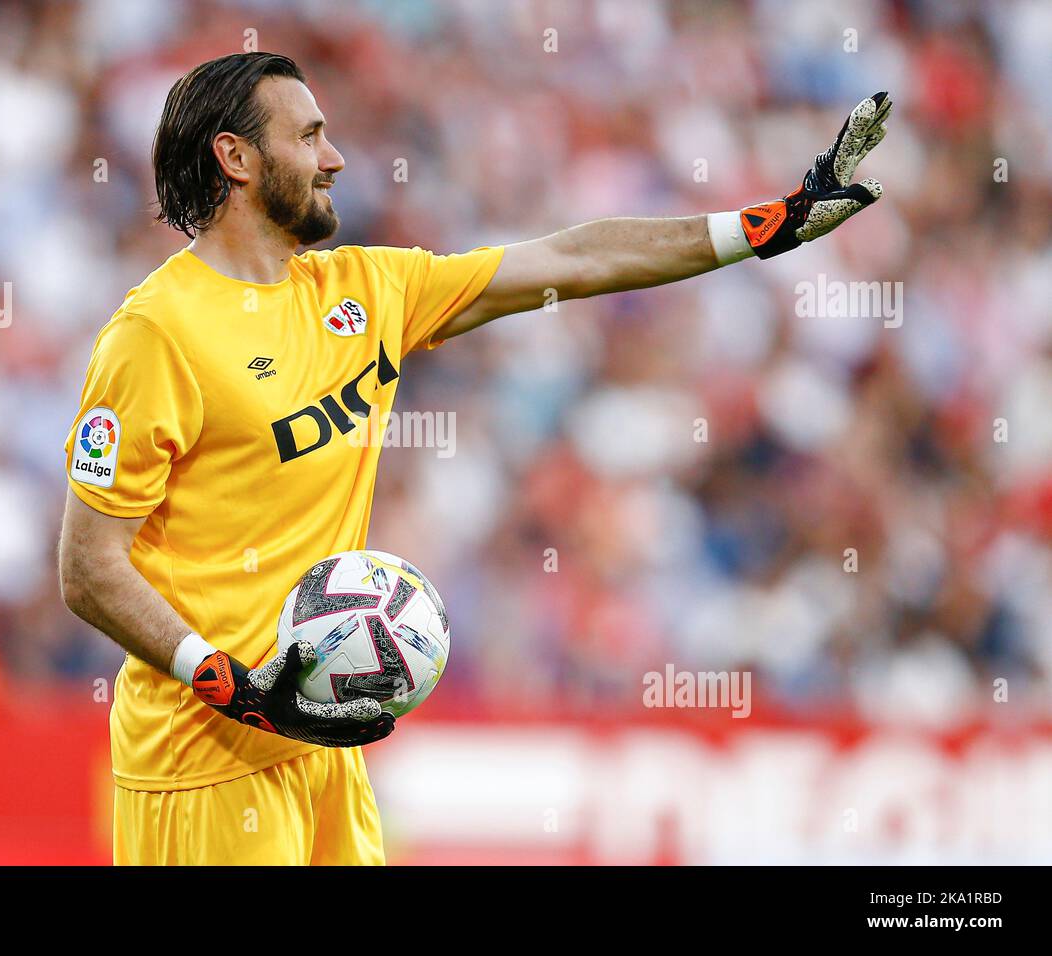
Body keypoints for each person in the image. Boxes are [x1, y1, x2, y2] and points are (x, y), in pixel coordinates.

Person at [57, 51, 891, 865]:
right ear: (234, 158)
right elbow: (89, 568)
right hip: (202, 765)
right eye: (309, 136)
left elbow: (573, 259)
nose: (336, 158)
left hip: (321, 745)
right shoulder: (154, 336)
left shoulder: (365, 291)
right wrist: (228, 683)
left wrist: (763, 227)